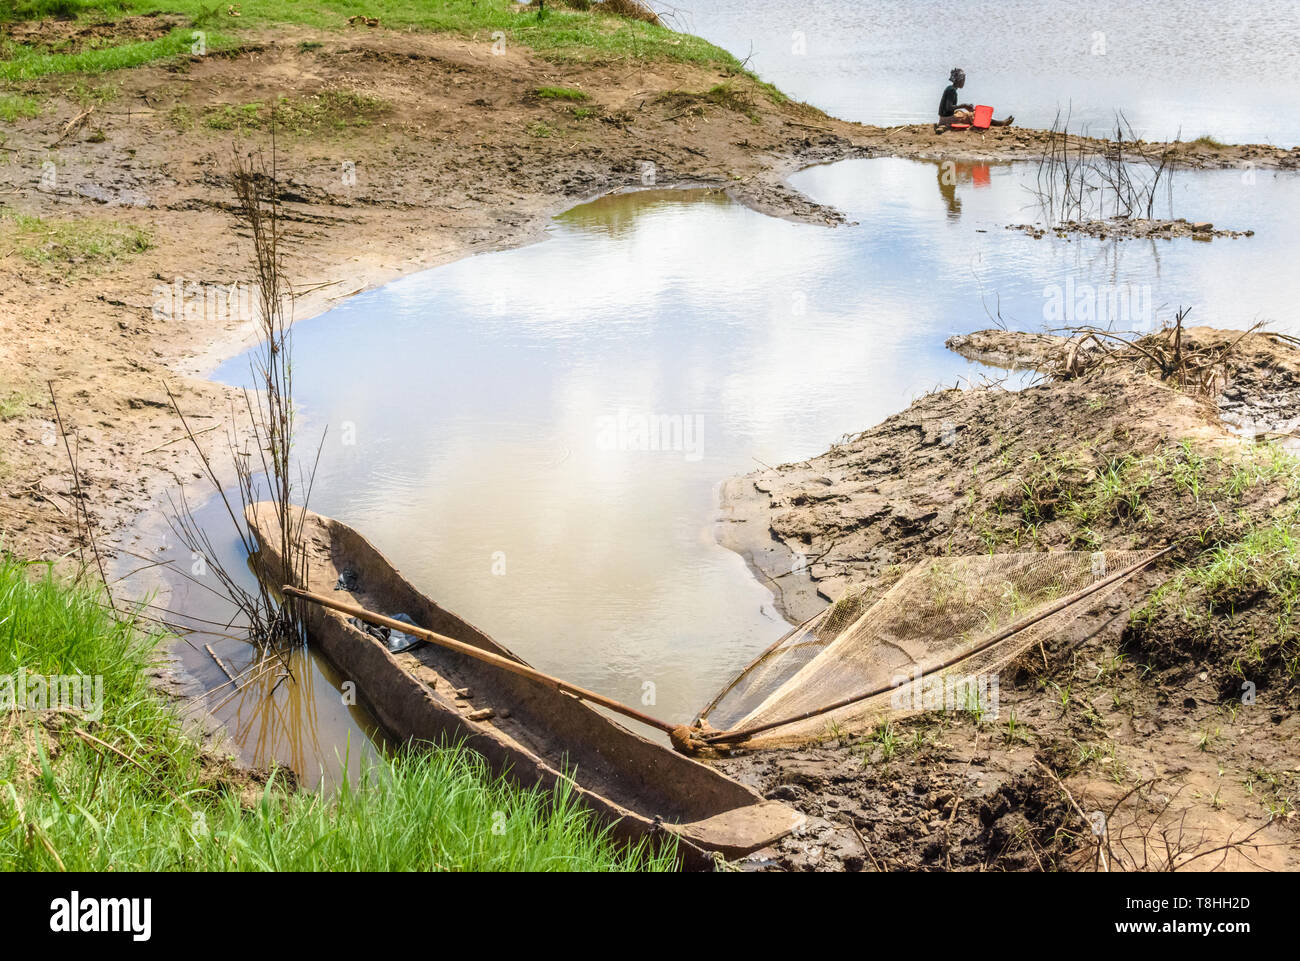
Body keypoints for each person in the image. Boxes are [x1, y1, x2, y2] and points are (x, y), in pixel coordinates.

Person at [937, 68, 1013, 129]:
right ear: (959, 80)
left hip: (944, 117)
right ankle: (1000, 123)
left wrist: (965, 106)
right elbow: (948, 107)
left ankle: (999, 122)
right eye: (963, 80)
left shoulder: (951, 88)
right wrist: (964, 105)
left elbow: (949, 108)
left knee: (968, 113)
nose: (964, 82)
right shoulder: (951, 90)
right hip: (946, 119)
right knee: (974, 115)